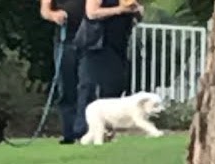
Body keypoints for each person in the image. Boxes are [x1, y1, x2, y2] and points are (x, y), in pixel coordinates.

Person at [74, 0, 142, 139]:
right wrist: (120, 10)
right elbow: (92, 13)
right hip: (98, 45)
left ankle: (106, 129)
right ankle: (83, 130)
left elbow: (136, 17)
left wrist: (137, 11)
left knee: (115, 87)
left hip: (119, 46)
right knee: (89, 86)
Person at [40, 0, 86, 144]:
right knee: (66, 87)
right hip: (66, 40)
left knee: (88, 85)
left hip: (90, 38)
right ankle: (69, 132)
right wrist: (54, 15)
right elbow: (45, 11)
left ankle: (86, 130)